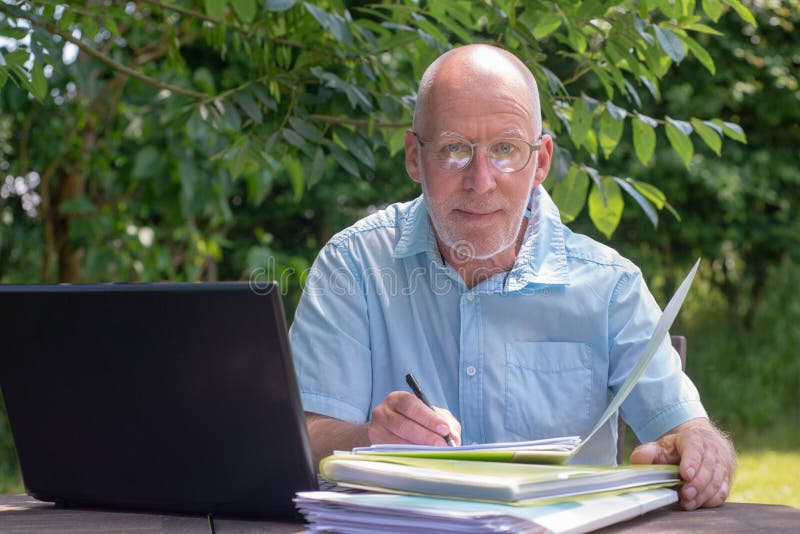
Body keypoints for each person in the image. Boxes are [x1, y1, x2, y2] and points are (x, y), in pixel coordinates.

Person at [288, 44, 735, 510]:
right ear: (414, 158)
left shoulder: (610, 288)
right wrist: (370, 438)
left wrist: (697, 456)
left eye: (505, 149)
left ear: (541, 161)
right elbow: (307, 432)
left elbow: (687, 430)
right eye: (454, 149)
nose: (480, 181)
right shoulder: (354, 266)